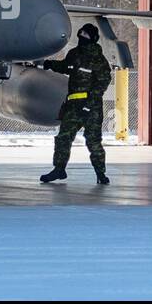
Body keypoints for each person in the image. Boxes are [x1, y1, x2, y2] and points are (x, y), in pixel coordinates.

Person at [38, 23, 112, 185]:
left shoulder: (98, 60)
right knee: (63, 137)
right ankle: (59, 169)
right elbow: (66, 67)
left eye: (86, 36)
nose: (82, 38)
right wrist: (48, 64)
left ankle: (101, 173)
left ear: (93, 39)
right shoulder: (74, 54)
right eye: (81, 34)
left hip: (91, 107)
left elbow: (102, 84)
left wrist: (88, 105)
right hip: (73, 106)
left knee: (92, 141)